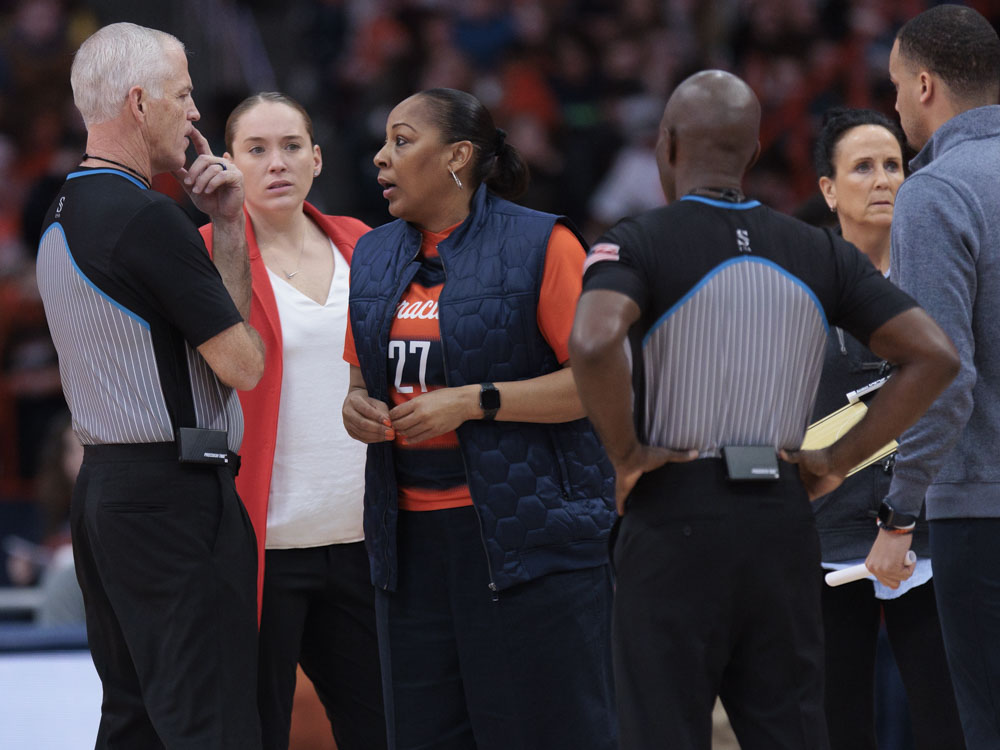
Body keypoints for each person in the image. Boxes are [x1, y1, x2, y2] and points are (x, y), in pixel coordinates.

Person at [569, 69, 959, 750]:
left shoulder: (639, 240)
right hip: (783, 516)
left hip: (674, 514)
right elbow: (934, 358)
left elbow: (594, 339)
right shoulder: (818, 250)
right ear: (753, 155)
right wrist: (835, 461)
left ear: (665, 145)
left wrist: (626, 456)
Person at [342, 87, 617, 750]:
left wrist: (474, 400)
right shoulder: (373, 255)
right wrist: (357, 408)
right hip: (406, 548)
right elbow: (359, 382)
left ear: (458, 156)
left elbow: (599, 384)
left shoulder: (541, 243)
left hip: (526, 544)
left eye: (403, 141)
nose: (381, 157)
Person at [34, 22, 265, 749]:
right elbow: (243, 365)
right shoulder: (145, 217)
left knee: (134, 721)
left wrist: (224, 226)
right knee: (212, 723)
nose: (196, 113)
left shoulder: (62, 209)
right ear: (139, 103)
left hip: (107, 493)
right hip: (173, 497)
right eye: (184, 94)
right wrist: (229, 233)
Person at [199, 91, 385, 750]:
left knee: (389, 731)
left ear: (317, 158)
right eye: (256, 149)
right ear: (227, 162)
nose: (276, 163)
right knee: (254, 735)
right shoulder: (203, 252)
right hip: (261, 549)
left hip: (366, 545)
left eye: (291, 146)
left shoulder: (366, 245)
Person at [811, 107, 965, 750]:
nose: (883, 181)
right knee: (833, 727)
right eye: (863, 167)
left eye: (894, 166)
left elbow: (960, 404)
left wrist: (899, 520)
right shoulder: (796, 287)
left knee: (950, 724)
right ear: (828, 188)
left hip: (931, 534)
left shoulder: (944, 277)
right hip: (820, 543)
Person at [883, 7, 1000, 748]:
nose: (892, 104)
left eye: (895, 86)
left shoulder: (935, 191)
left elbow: (943, 376)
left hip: (984, 513)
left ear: (925, 85)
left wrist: (898, 508)